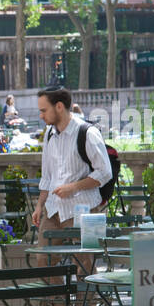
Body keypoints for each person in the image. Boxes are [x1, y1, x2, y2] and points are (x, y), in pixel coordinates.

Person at [33, 85, 113, 269]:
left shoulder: (88, 133)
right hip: (53, 211)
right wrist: (39, 206)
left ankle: (88, 299)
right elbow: (47, 176)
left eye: (44, 110)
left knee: (86, 266)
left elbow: (105, 172)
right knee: (43, 261)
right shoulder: (49, 134)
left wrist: (73, 187)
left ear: (59, 106)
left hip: (85, 210)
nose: (41, 115)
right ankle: (56, 299)